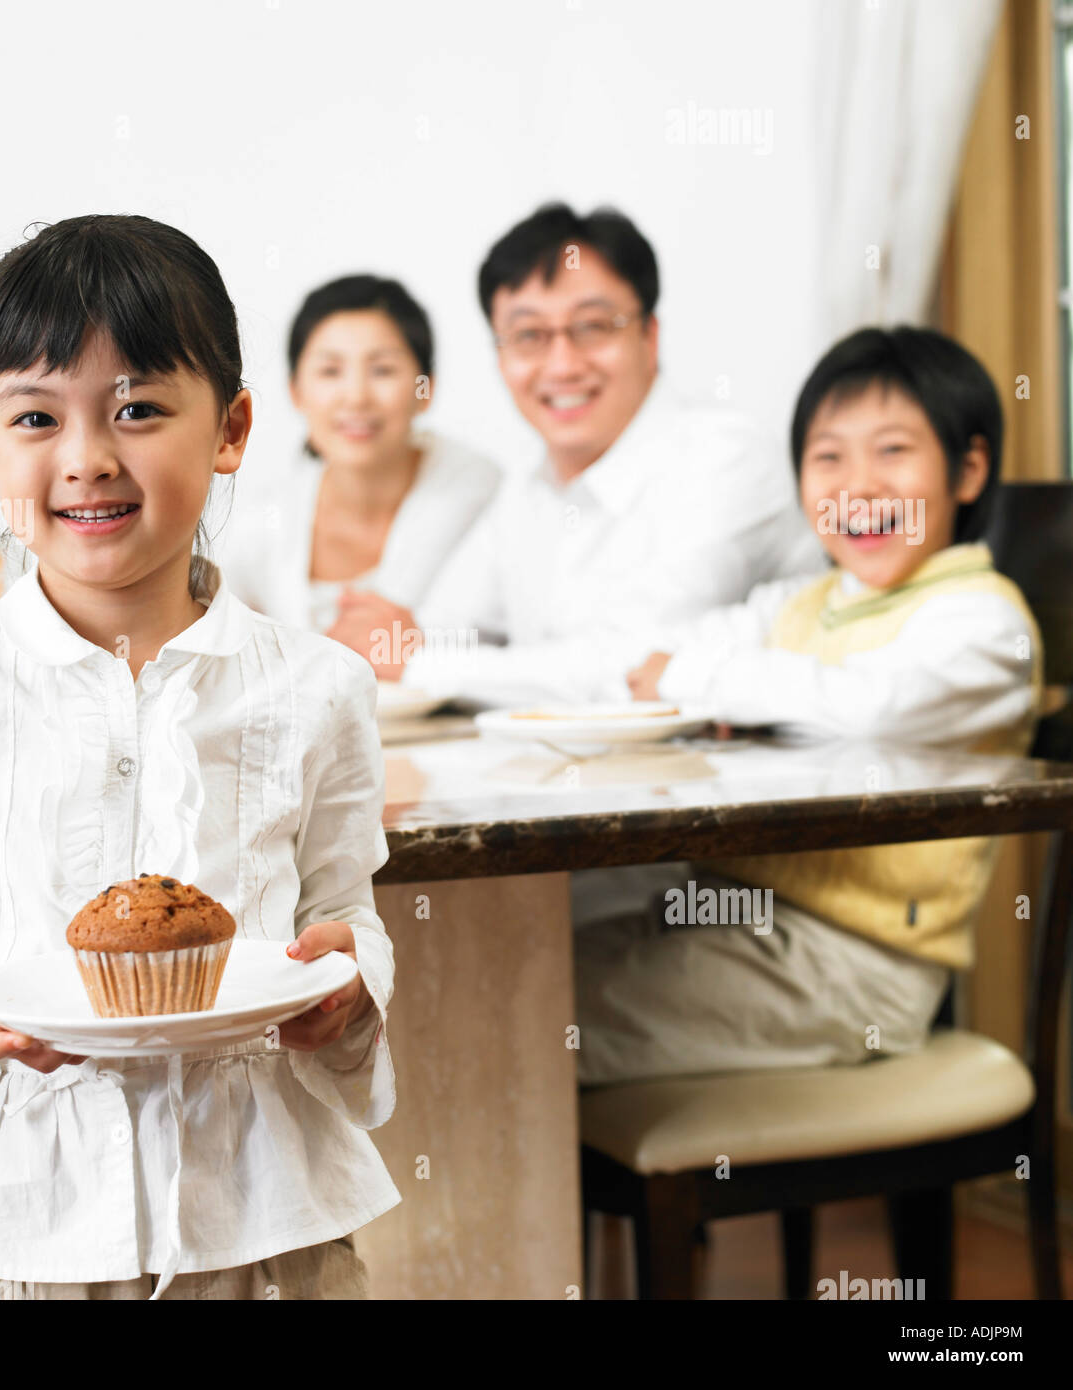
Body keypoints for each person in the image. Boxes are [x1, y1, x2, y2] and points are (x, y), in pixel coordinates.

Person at [0, 214, 400, 1300]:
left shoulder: (317, 688)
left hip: (260, 1214)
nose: (88, 458)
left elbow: (349, 910)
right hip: (15, 1220)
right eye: (36, 416)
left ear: (229, 428)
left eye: (137, 409)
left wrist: (349, 981)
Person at [574, 325, 1042, 1084]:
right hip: (723, 915)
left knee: (518, 1013)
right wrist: (715, 677)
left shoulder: (983, 621)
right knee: (502, 971)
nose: (857, 485)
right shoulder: (804, 602)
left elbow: (868, 708)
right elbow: (651, 658)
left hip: (858, 964)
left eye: (892, 451)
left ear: (968, 469)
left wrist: (714, 680)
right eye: (828, 457)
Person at [327, 202, 824, 704]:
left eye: (592, 327)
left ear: (649, 337)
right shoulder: (528, 487)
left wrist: (417, 659)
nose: (562, 364)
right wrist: (386, 638)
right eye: (529, 336)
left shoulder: (726, 460)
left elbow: (631, 667)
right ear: (500, 355)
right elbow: (441, 631)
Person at [220, 274, 500, 636]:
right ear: (296, 392)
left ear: (425, 388)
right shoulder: (261, 525)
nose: (356, 396)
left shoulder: (481, 497)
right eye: (330, 371)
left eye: (382, 370)